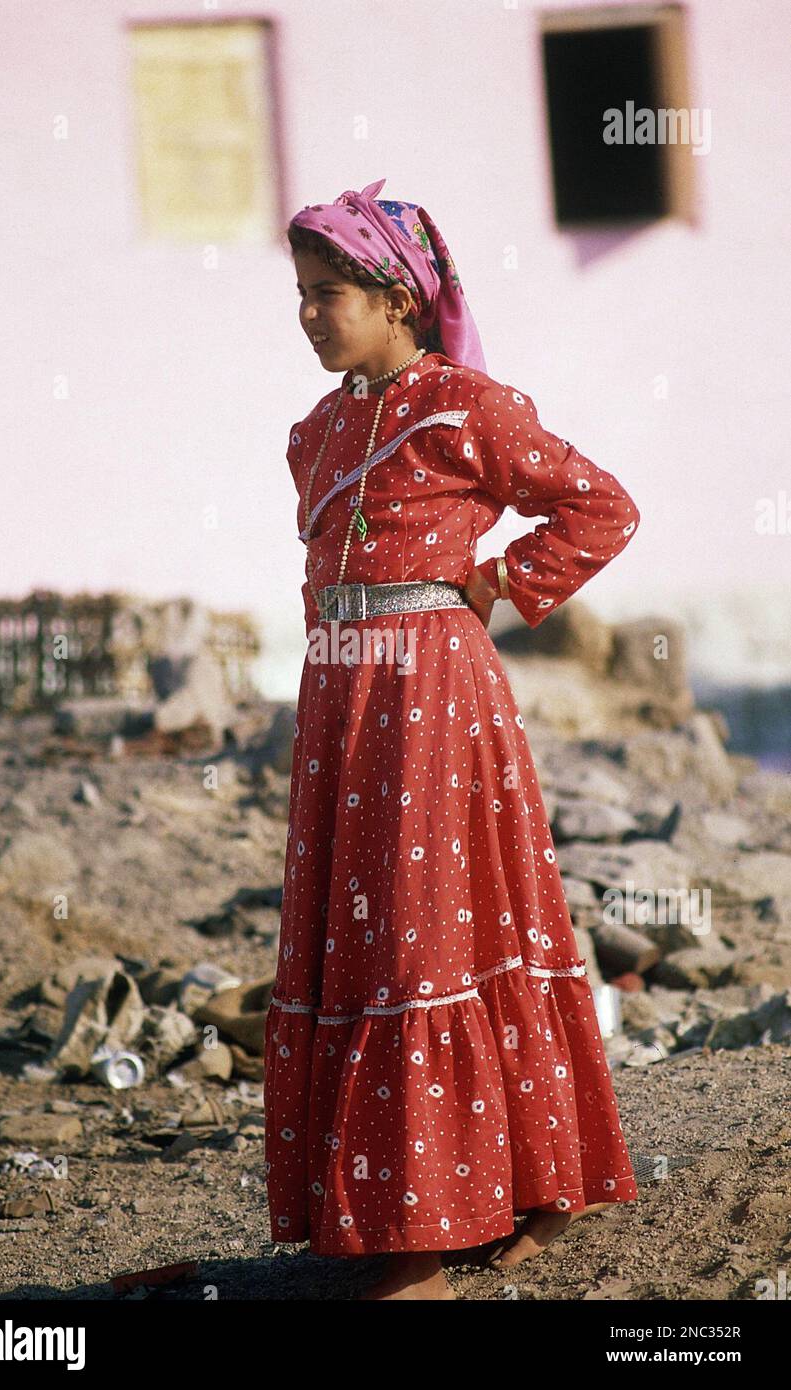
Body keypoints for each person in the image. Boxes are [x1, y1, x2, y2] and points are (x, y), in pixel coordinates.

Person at [262, 177, 641, 1300]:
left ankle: (422, 1238)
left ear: (396, 297)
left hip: (435, 698)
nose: (309, 314)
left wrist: (496, 583)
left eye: (329, 292)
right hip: (342, 702)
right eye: (301, 294)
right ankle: (492, 1196)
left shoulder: (470, 408)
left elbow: (601, 507)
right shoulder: (314, 432)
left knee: (423, 939)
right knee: (369, 932)